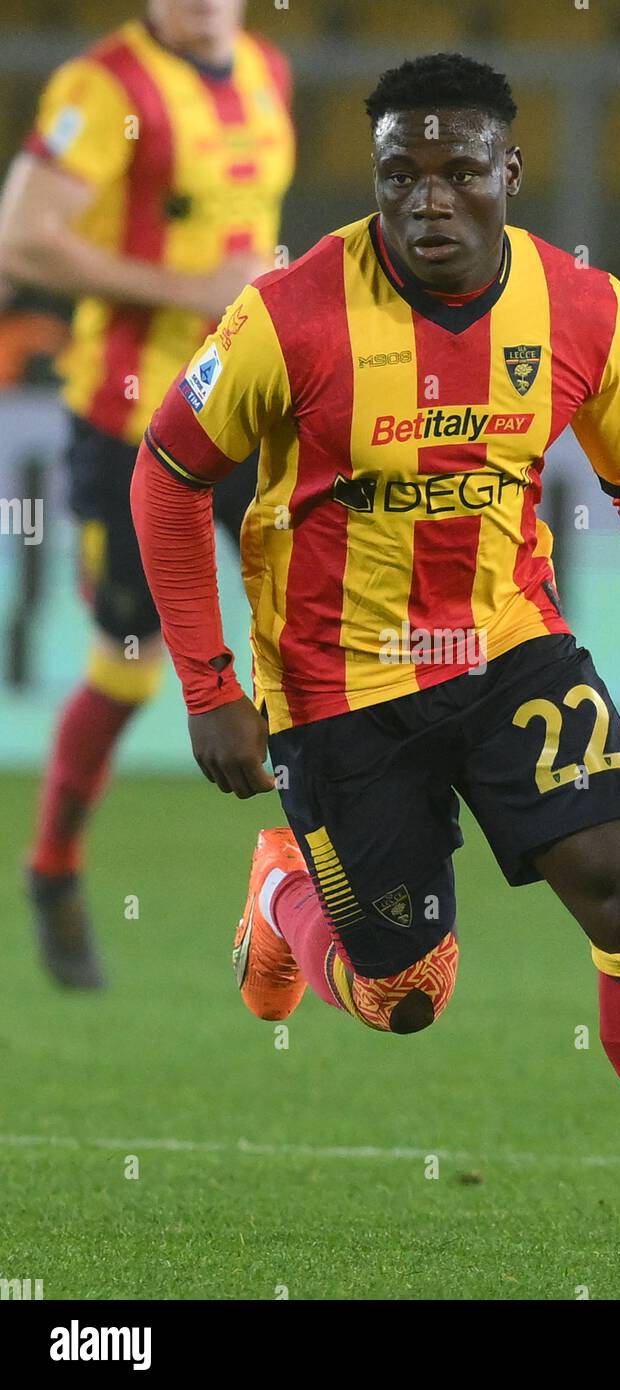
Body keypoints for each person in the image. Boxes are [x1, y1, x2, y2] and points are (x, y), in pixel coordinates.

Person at [131, 53, 620, 1273]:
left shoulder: (584, 311)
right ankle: (283, 891)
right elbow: (168, 478)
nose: (427, 200)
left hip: (507, 645)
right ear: (374, 179)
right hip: (335, 681)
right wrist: (210, 683)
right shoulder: (284, 313)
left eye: (456, 173)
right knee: (404, 995)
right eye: (399, 175)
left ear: (510, 174)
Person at [0, 0, 295, 986]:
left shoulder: (267, 72)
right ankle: (52, 870)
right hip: (133, 424)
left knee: (320, 633)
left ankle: (316, 896)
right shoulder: (106, 87)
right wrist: (188, 289)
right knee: (127, 666)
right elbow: (24, 240)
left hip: (248, 410)